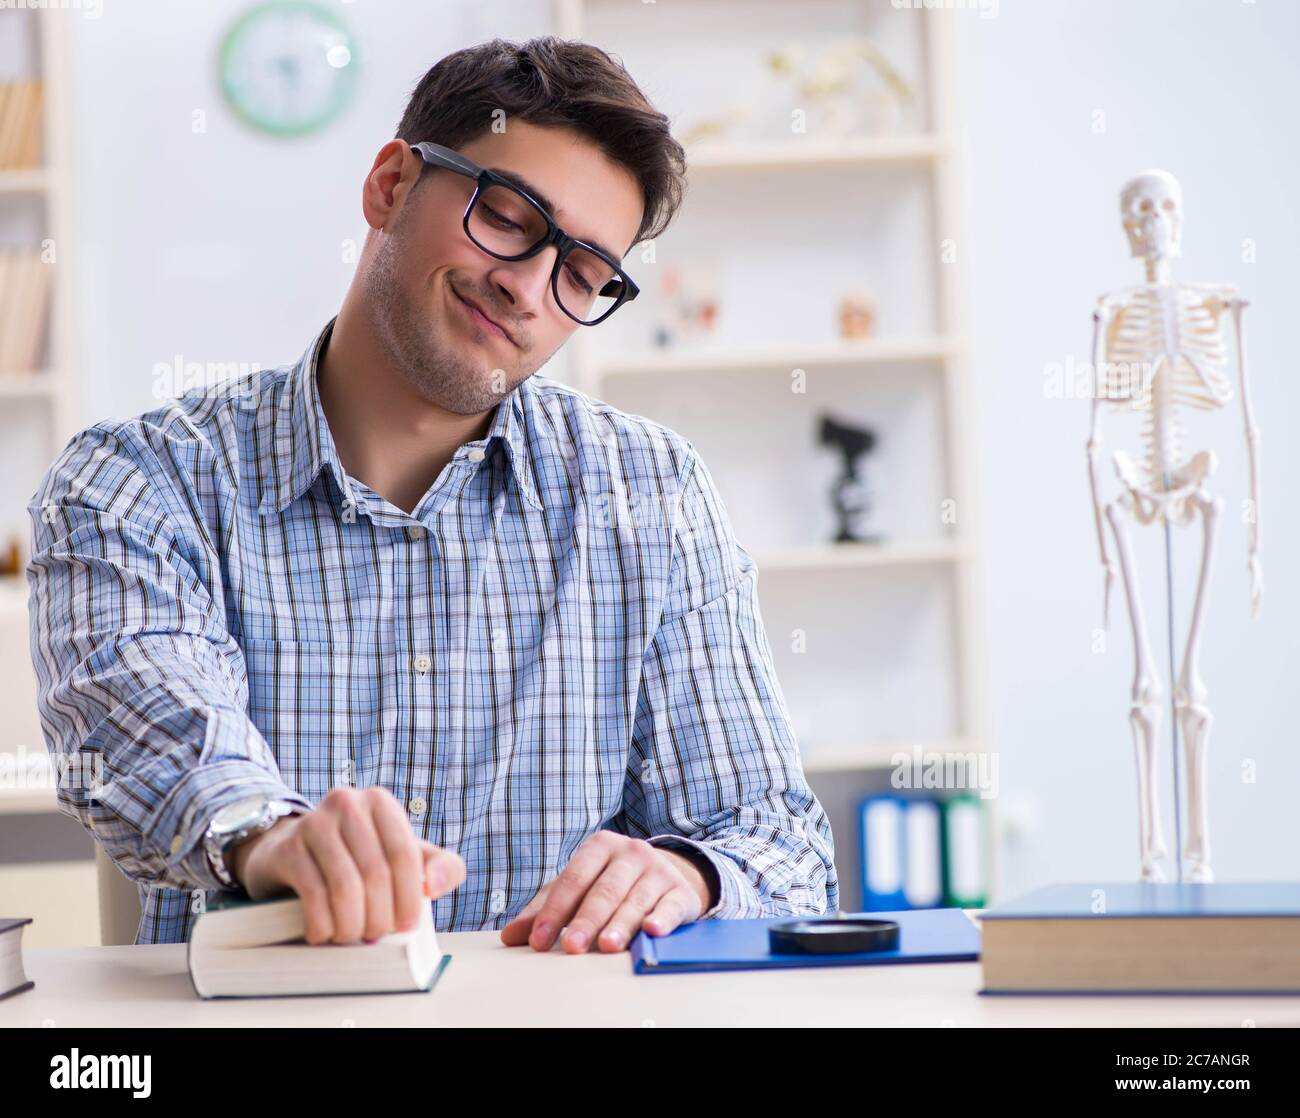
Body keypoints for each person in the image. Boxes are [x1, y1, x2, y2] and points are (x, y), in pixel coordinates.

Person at [26, 36, 837, 954]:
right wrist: (275, 841)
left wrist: (690, 872)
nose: (527, 287)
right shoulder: (139, 482)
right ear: (390, 187)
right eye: (510, 216)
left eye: (581, 275)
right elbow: (149, 731)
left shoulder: (652, 494)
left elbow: (778, 844)